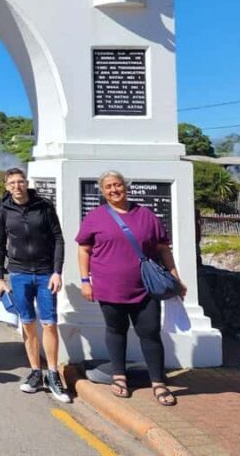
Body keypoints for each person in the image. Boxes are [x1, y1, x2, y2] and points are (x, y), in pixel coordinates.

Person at [76, 170, 187, 407]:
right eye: (108, 187)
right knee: (115, 330)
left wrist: (175, 277)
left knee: (150, 333)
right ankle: (119, 376)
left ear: (126, 186)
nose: (114, 190)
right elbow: (84, 249)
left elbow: (163, 248)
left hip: (145, 288)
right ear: (103, 191)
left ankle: (158, 381)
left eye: (117, 185)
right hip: (109, 287)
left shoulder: (146, 215)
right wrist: (85, 281)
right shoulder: (95, 217)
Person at [0, 168, 70, 403]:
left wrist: (57, 271)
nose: (17, 186)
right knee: (27, 324)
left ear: (27, 183)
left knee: (49, 323)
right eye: (12, 182)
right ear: (6, 186)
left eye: (20, 181)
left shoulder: (43, 206)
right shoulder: (3, 211)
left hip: (46, 272)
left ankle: (53, 374)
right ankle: (36, 372)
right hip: (19, 272)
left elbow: (58, 238)